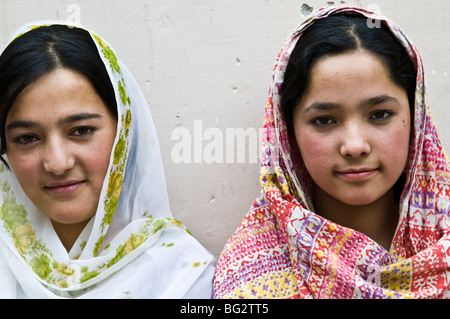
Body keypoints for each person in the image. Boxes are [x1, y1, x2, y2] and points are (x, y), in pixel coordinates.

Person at [213, 6, 450, 299]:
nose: (354, 146)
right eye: (324, 120)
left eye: (379, 115)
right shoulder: (252, 279)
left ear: (416, 120)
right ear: (288, 135)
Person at [0, 21, 214, 298]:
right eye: (27, 138)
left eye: (81, 131)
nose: (57, 163)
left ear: (125, 133)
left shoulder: (181, 276)